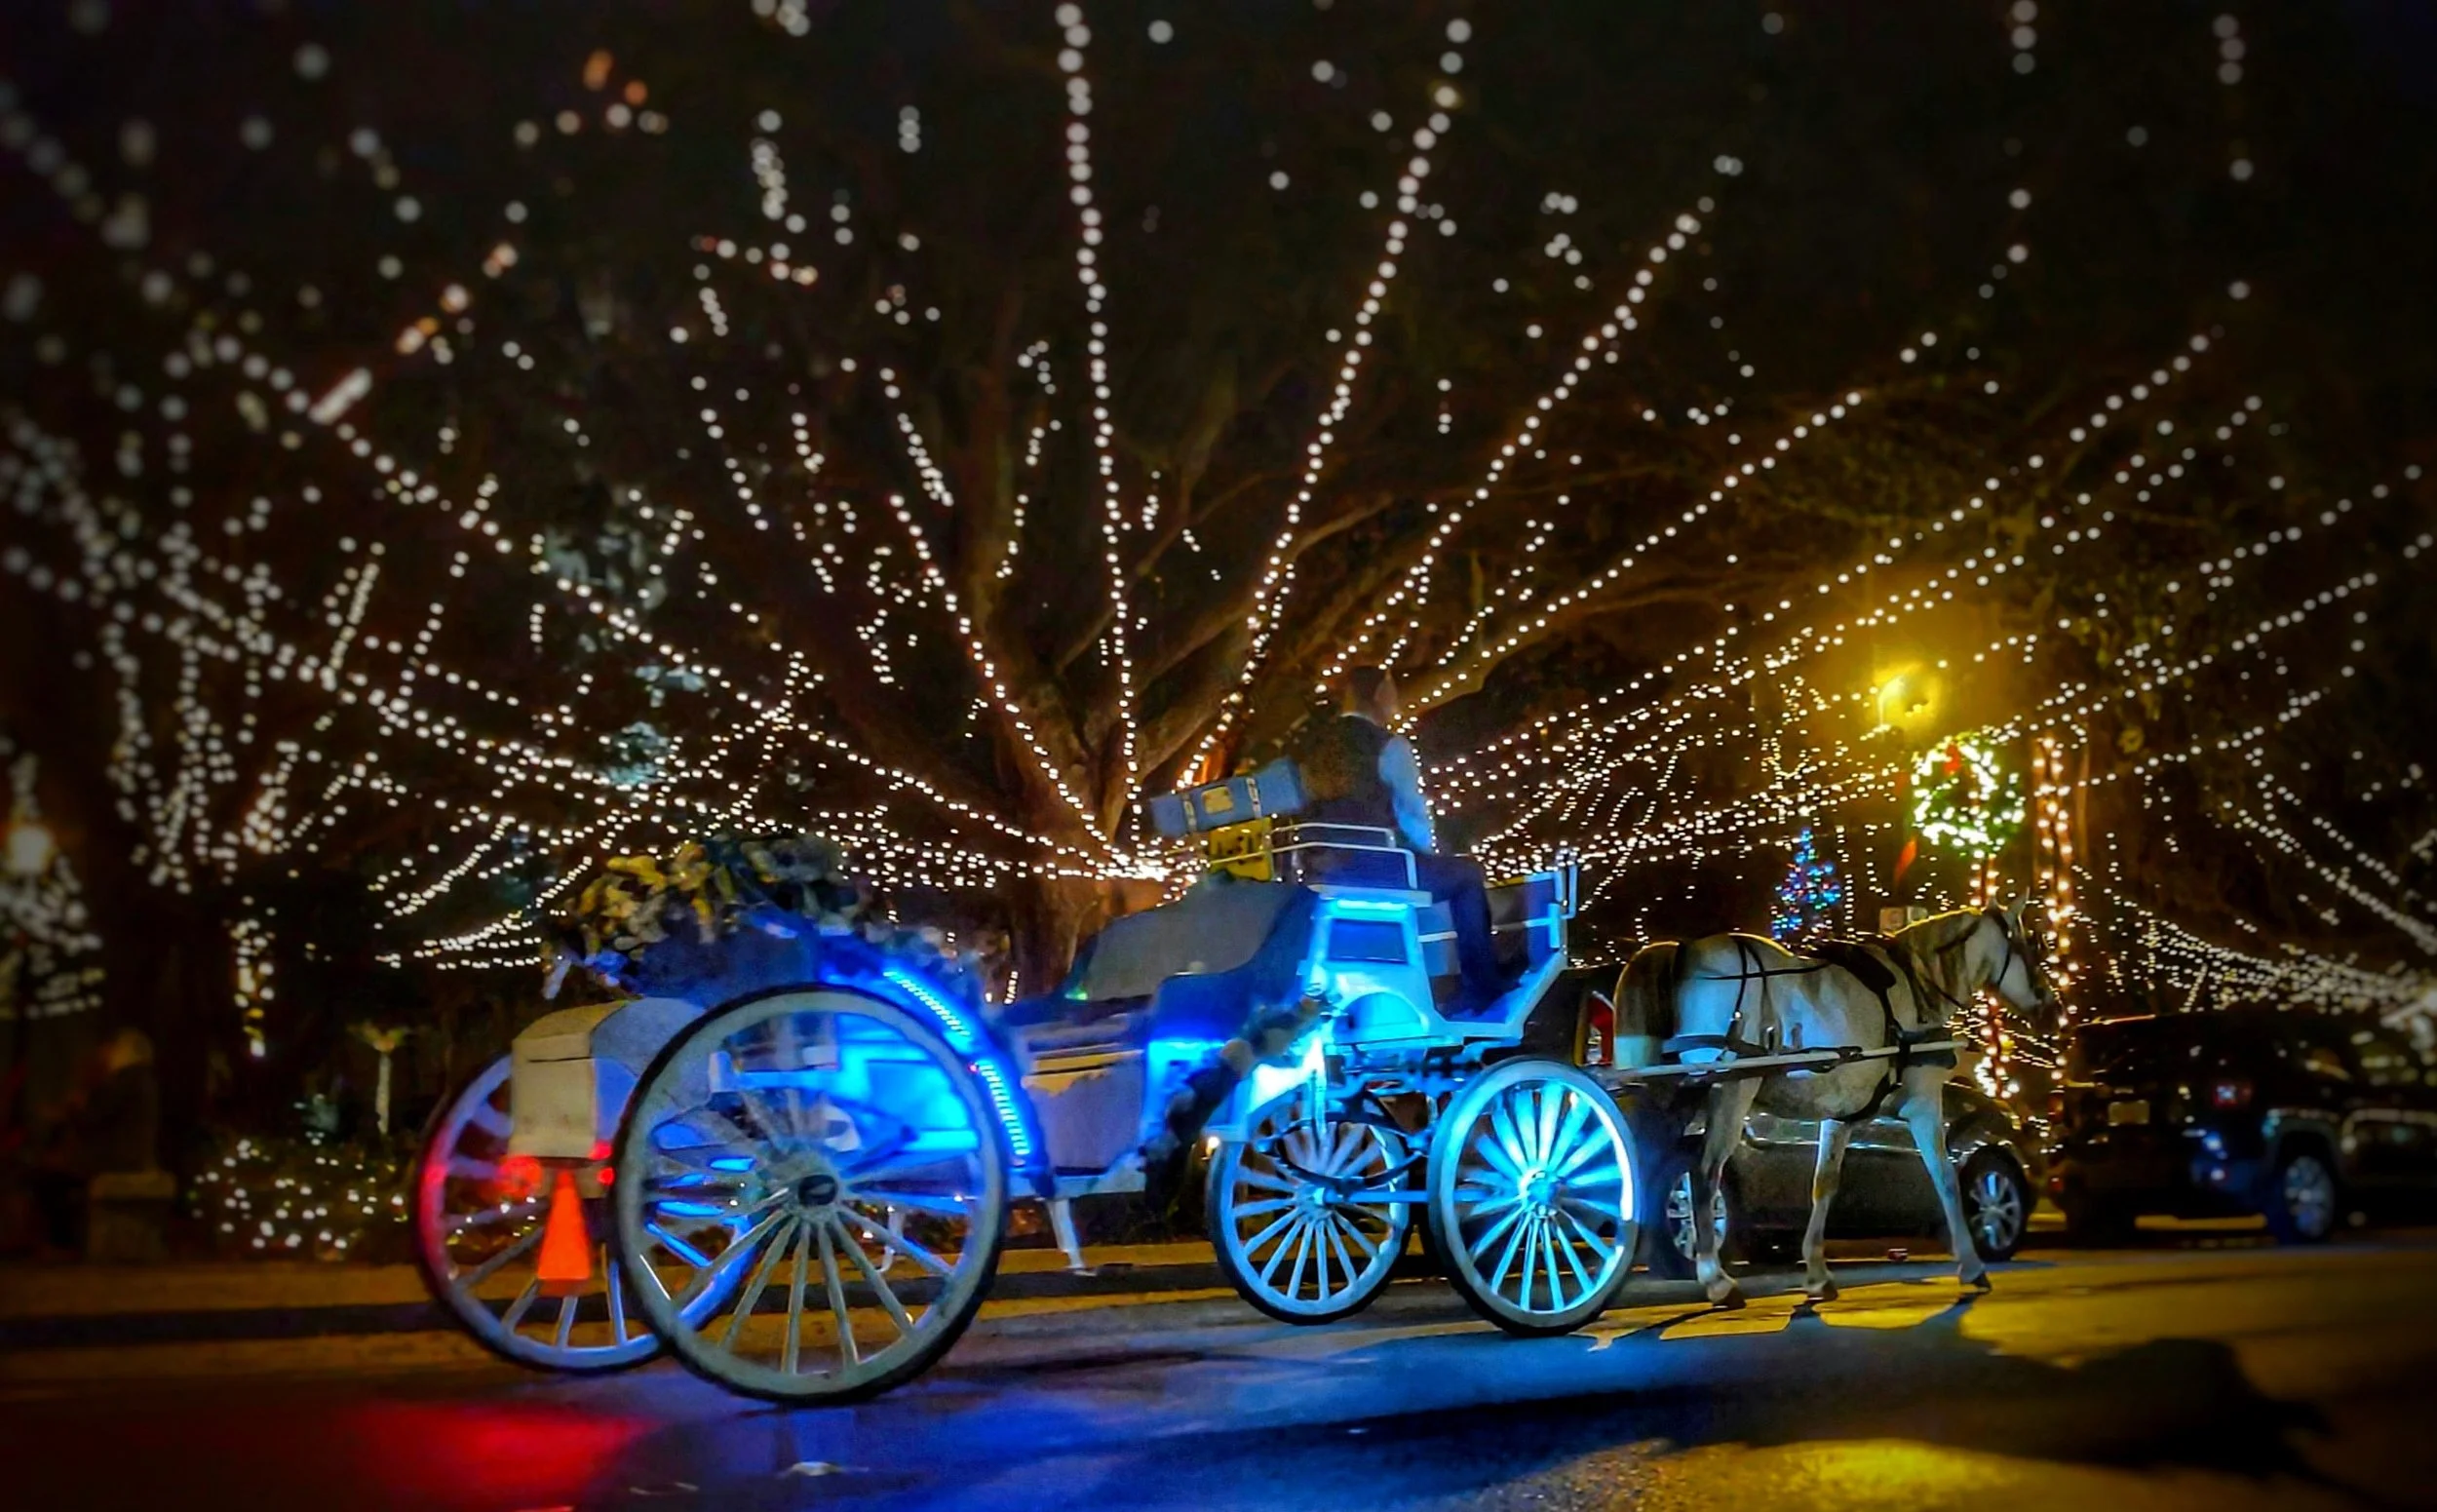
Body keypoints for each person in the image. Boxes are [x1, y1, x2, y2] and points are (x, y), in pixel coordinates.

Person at [1292, 667, 1512, 1005]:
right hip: (1381, 867)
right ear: (1380, 695)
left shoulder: (1311, 749)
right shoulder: (1390, 746)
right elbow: (1413, 815)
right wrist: (1426, 852)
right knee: (1466, 875)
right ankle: (1482, 987)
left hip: (1324, 870)